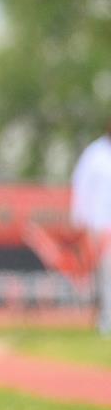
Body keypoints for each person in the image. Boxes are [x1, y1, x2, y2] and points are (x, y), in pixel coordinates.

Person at [72, 115, 111, 335]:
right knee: (107, 273)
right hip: (101, 223)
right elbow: (81, 186)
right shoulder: (95, 154)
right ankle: (106, 319)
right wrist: (80, 220)